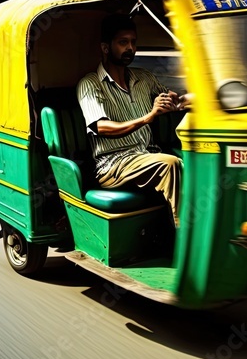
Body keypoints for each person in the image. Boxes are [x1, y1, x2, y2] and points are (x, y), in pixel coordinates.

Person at [76, 14, 185, 226]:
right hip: (113, 164)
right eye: (123, 42)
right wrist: (148, 117)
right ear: (106, 48)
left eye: (133, 42)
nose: (130, 48)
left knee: (195, 159)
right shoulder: (90, 84)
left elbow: (172, 97)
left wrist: (175, 100)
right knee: (170, 164)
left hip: (146, 156)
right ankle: (185, 240)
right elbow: (101, 127)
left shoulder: (143, 77)